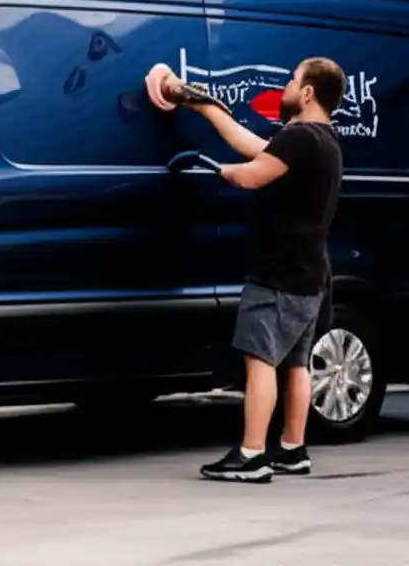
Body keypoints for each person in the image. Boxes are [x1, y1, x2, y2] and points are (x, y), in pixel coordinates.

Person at [145, 57, 345, 483]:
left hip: (278, 275)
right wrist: (198, 103)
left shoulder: (300, 139)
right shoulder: (323, 140)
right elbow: (252, 144)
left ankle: (251, 455)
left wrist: (221, 171)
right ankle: (292, 450)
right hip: (310, 276)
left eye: (292, 81)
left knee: (259, 361)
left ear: (307, 93)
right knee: (295, 364)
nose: (286, 87)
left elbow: (252, 174)